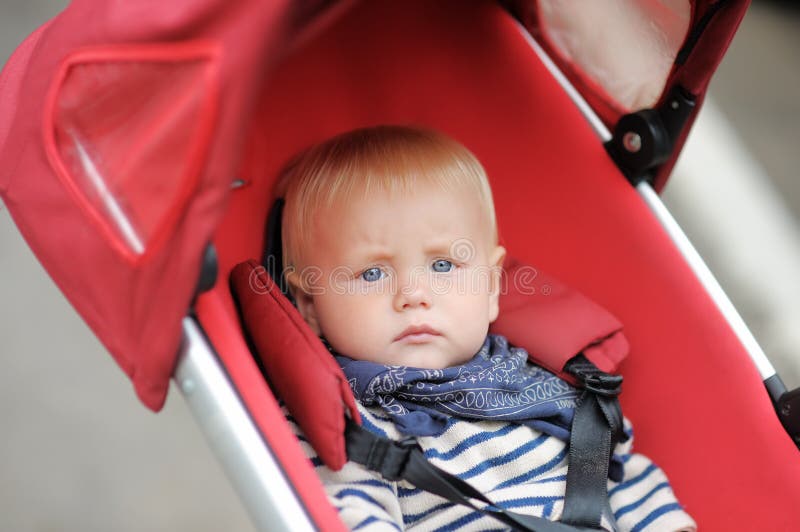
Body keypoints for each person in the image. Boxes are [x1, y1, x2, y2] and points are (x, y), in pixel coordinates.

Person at [278, 125, 695, 531]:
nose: (412, 294)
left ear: (492, 285)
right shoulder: (349, 422)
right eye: (372, 273)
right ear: (311, 306)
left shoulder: (542, 387)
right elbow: (351, 510)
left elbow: (618, 471)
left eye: (443, 265)